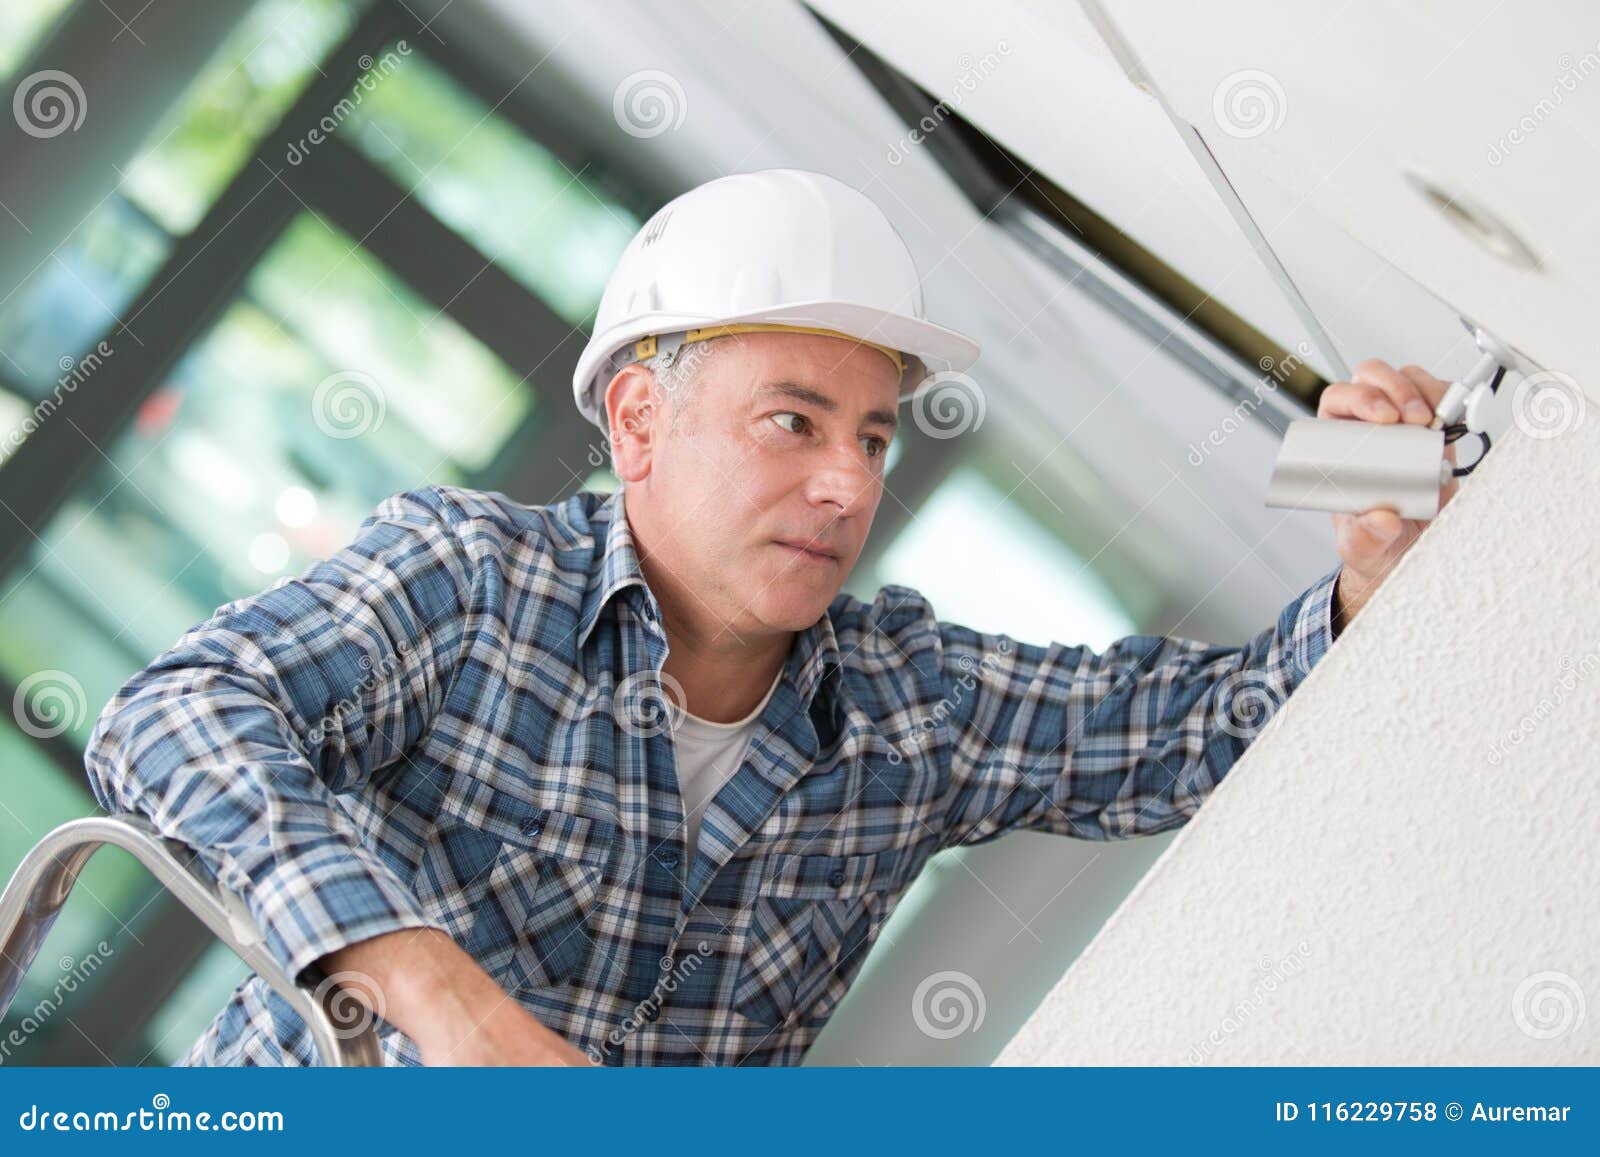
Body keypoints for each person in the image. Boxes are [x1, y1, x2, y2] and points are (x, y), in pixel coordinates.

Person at [84, 168, 1455, 1066]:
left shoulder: (910, 710)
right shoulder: (471, 584)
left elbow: (1205, 729)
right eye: (794, 422)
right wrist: (441, 998)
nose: (847, 481)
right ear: (638, 420)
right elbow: (176, 714)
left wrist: (1376, 562)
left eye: (875, 436)